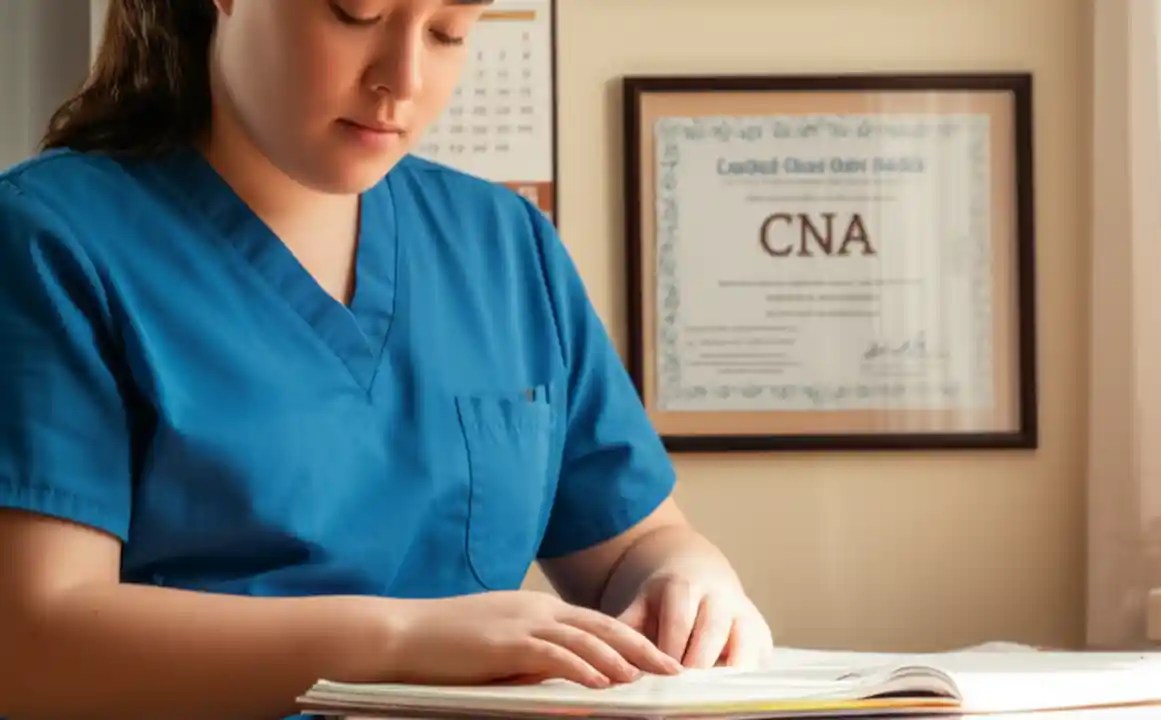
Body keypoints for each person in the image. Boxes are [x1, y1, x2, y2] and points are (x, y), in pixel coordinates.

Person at [0, 1, 773, 717]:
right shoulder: (52, 240)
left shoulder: (503, 243)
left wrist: (686, 578)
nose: (402, 79)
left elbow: (631, 544)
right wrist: (397, 644)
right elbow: (32, 637)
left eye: (449, 32)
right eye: (356, 12)